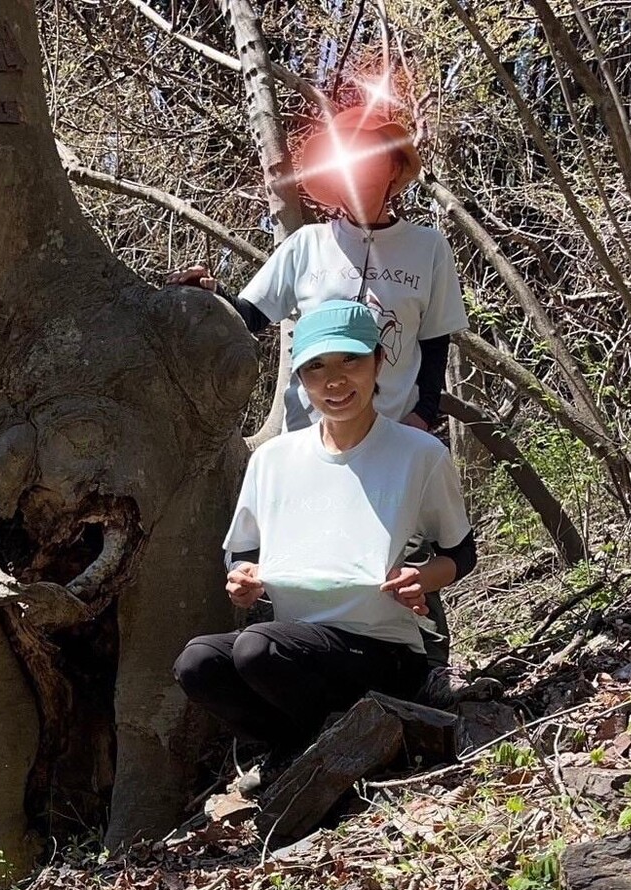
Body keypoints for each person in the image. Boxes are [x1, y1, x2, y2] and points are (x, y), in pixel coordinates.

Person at [168, 104, 471, 675]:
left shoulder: (426, 248)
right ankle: (295, 689)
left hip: (394, 437)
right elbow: (247, 318)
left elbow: (434, 343)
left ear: (394, 167)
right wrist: (206, 299)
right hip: (311, 438)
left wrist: (423, 417)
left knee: (396, 569)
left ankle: (425, 677)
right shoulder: (307, 245)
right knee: (302, 568)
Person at [172, 300, 477, 762]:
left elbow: (461, 553)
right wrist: (243, 578)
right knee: (198, 663)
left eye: (350, 360)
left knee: (258, 649)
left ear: (379, 361)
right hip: (294, 644)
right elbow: (242, 553)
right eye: (315, 368)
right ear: (299, 378)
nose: (334, 382)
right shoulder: (272, 460)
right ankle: (296, 748)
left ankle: (338, 747)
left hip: (384, 649)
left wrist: (422, 578)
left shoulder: (419, 454)